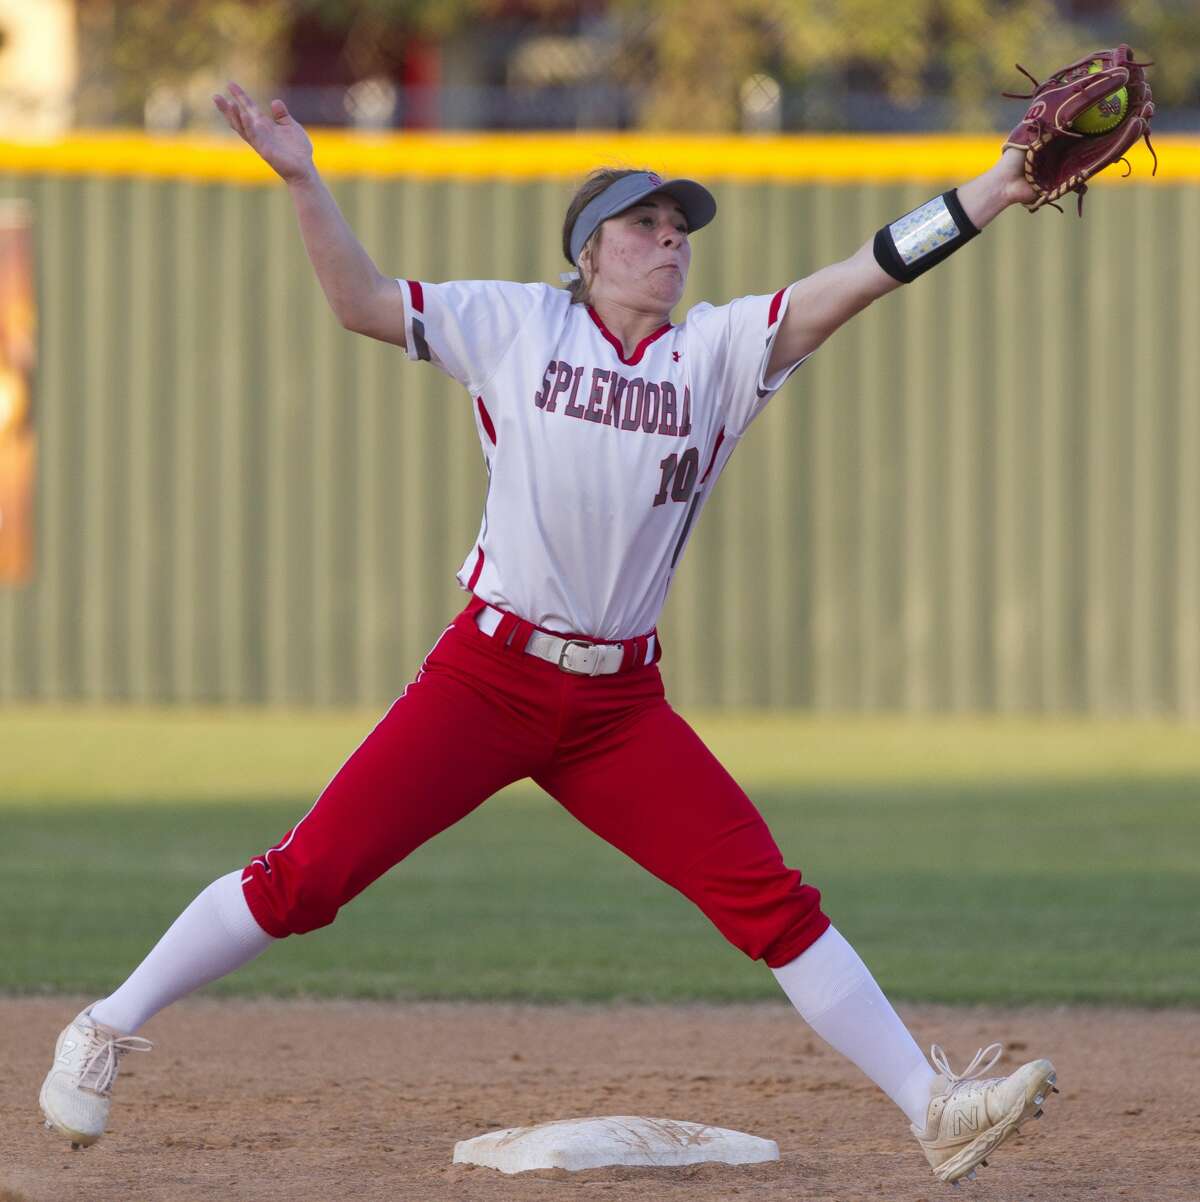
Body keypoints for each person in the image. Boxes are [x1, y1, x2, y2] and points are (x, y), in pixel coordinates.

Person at [39, 82, 1058, 1185]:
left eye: (679, 230)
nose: (671, 244)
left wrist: (995, 190)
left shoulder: (719, 351)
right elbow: (365, 302)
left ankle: (933, 1104)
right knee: (310, 879)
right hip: (485, 678)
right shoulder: (519, 324)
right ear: (589, 252)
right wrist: (302, 178)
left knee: (769, 899)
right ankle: (103, 1022)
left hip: (618, 710)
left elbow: (870, 267)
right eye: (644, 227)